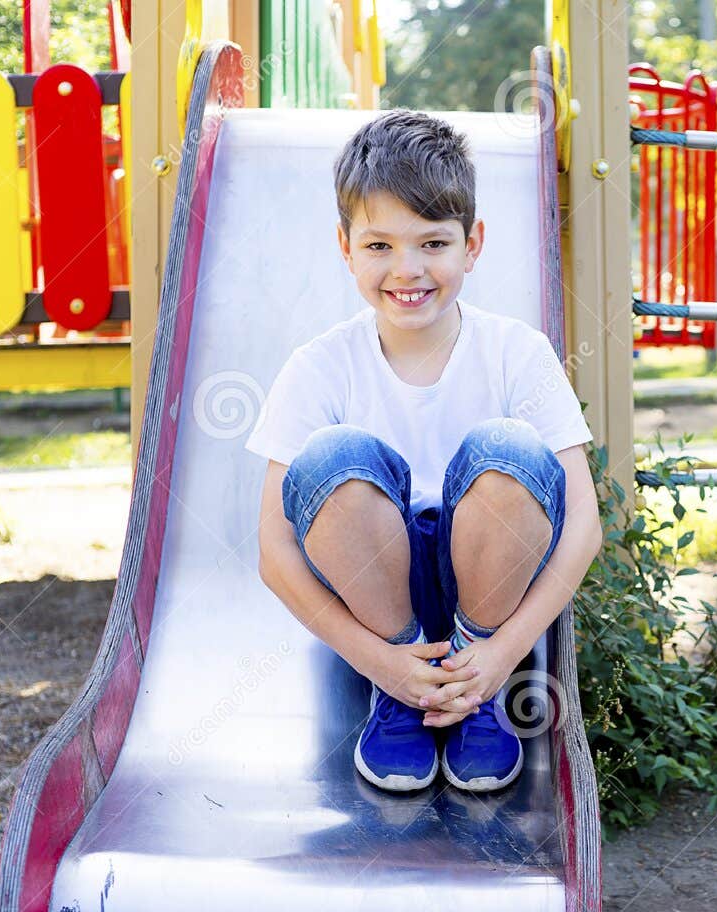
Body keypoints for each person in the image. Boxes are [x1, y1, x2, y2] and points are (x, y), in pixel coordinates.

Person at [246, 111, 599, 795]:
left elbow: (583, 523)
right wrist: (381, 661)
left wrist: (500, 655)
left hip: (490, 598)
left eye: (433, 242)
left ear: (473, 245)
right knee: (333, 458)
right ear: (344, 246)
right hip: (378, 601)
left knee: (507, 449)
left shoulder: (516, 353)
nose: (407, 269)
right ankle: (403, 697)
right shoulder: (319, 366)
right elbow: (274, 551)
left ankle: (470, 692)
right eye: (380, 245)